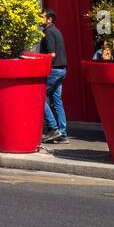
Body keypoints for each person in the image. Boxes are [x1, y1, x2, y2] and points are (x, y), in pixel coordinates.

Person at [41, 8, 68, 143]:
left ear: (49, 19)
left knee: (39, 96)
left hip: (54, 70)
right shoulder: (56, 31)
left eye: (41, 17)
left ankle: (53, 128)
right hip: (62, 70)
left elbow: (51, 54)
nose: (39, 19)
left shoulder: (48, 32)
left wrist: (39, 62)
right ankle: (62, 134)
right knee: (57, 101)